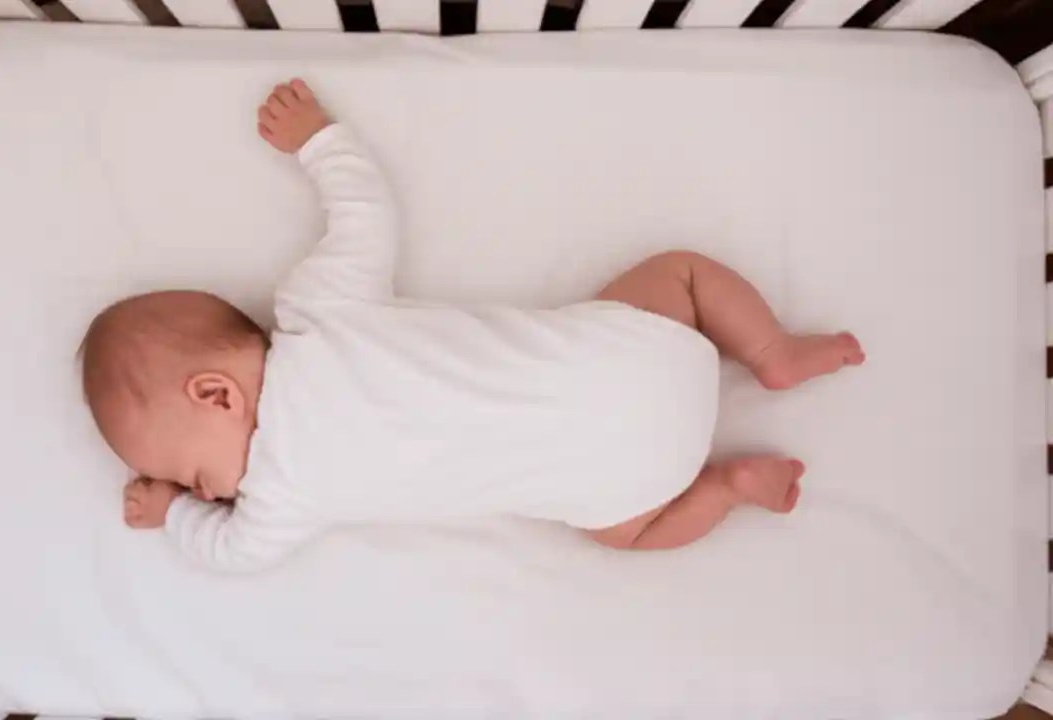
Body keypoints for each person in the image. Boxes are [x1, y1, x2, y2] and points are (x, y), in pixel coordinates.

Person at [79, 78, 865, 572]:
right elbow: (365, 216)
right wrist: (319, 140)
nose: (203, 492)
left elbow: (230, 556)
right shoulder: (317, 314)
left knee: (624, 540)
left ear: (216, 395)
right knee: (683, 273)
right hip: (646, 363)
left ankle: (726, 486)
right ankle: (771, 353)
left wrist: (172, 517)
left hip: (630, 487)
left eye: (190, 476)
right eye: (190, 490)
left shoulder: (279, 498)